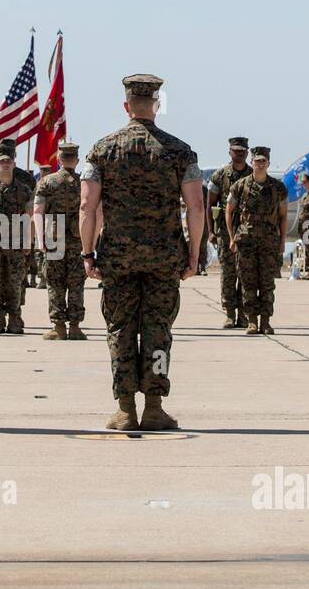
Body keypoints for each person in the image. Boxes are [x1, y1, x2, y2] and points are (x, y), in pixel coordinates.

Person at [80, 73, 202, 431]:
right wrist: (193, 254)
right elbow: (195, 206)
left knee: (120, 328)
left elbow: (87, 207)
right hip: (165, 258)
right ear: (157, 105)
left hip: (117, 258)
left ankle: (124, 409)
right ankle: (154, 406)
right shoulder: (180, 151)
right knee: (158, 331)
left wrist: (88, 253)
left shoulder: (102, 150)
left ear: (126, 105)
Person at [226, 146, 289, 334]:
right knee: (248, 283)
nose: (260, 164)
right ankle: (251, 321)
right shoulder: (240, 186)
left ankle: (266, 322)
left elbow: (283, 216)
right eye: (257, 161)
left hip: (269, 242)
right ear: (251, 163)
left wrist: (282, 240)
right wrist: (231, 237)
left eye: (263, 161)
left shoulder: (278, 188)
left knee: (268, 283)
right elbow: (228, 212)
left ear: (268, 163)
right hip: (246, 242)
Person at [0, 142, 34, 334]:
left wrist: (29, 241)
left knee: (15, 282)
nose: (5, 164)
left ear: (13, 163)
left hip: (16, 244)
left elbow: (29, 217)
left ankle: (15, 318)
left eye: (8, 161)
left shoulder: (23, 190)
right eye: (2, 161)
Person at [34, 141, 86, 340]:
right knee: (76, 283)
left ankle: (58, 327)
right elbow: (93, 211)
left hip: (53, 240)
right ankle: (75, 327)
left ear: (59, 159)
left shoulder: (47, 182)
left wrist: (40, 239)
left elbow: (38, 211)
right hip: (78, 240)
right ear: (77, 160)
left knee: (55, 283)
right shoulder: (84, 183)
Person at [207, 137, 252, 328]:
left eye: (242, 151)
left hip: (248, 232)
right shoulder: (220, 176)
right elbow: (209, 205)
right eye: (236, 151)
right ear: (230, 152)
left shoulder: (253, 174)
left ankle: (243, 314)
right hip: (226, 233)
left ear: (247, 153)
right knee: (228, 274)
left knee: (246, 274)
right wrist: (211, 231)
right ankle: (230, 314)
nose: (239, 154)